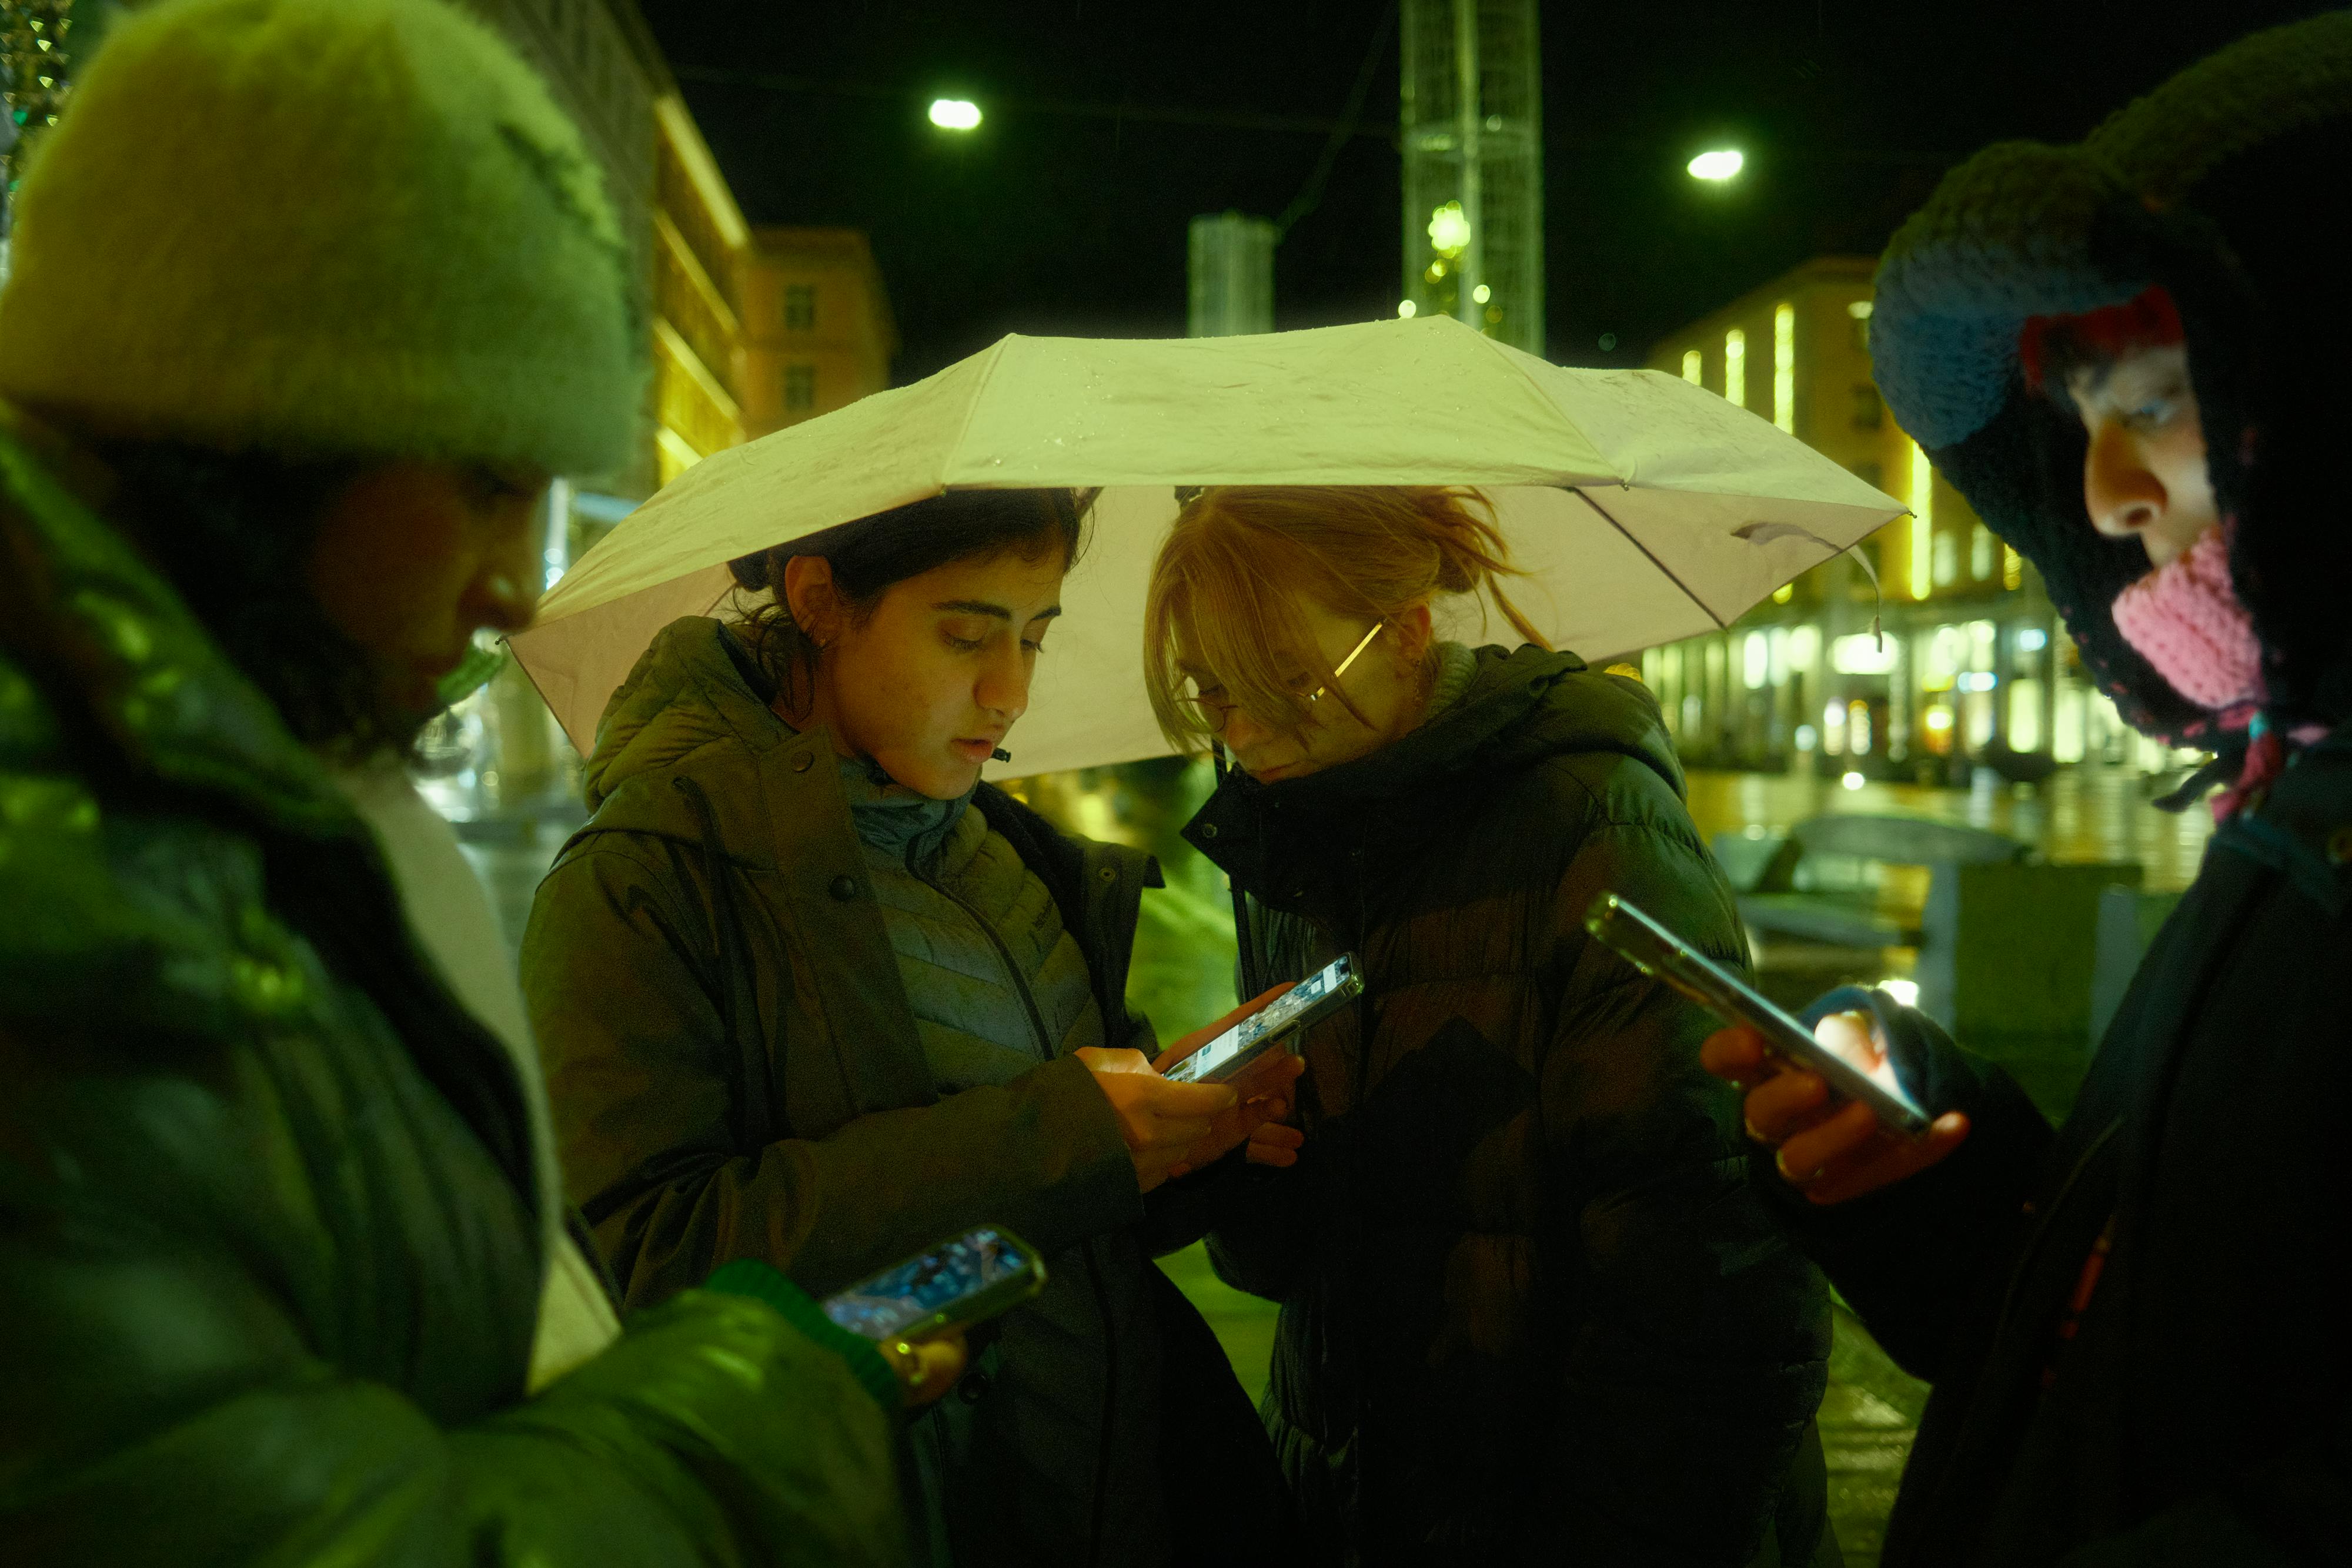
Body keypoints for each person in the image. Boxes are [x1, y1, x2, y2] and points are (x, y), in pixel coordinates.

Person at [0, 1, 920, 1561]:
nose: (512, 592)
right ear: (257, 435)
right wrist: (764, 1403)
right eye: (488, 481)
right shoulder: (72, 922)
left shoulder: (267, 805)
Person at [1704, 15, 2352, 1564]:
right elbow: (2174, 1344)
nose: (2106, 495)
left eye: (2152, 402)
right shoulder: (2289, 799)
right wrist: (1962, 1188)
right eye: (2074, 429)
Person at [521, 490, 1307, 1568]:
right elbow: (637, 1268)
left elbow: (1043, 1216)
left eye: (1035, 636)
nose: (1011, 691)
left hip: (1107, 1503)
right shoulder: (648, 878)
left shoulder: (1010, 855)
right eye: (968, 633)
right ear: (818, 601)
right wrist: (1067, 1139)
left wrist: (1185, 1142)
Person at [1141, 486, 1836, 1565]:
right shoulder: (1302, 839)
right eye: (1212, 692)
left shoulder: (1592, 820)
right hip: (1360, 1500)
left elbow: (1713, 1272)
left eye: (1283, 682)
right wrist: (1240, 1158)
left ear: (1409, 629)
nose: (1243, 732)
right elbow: (1293, 1271)